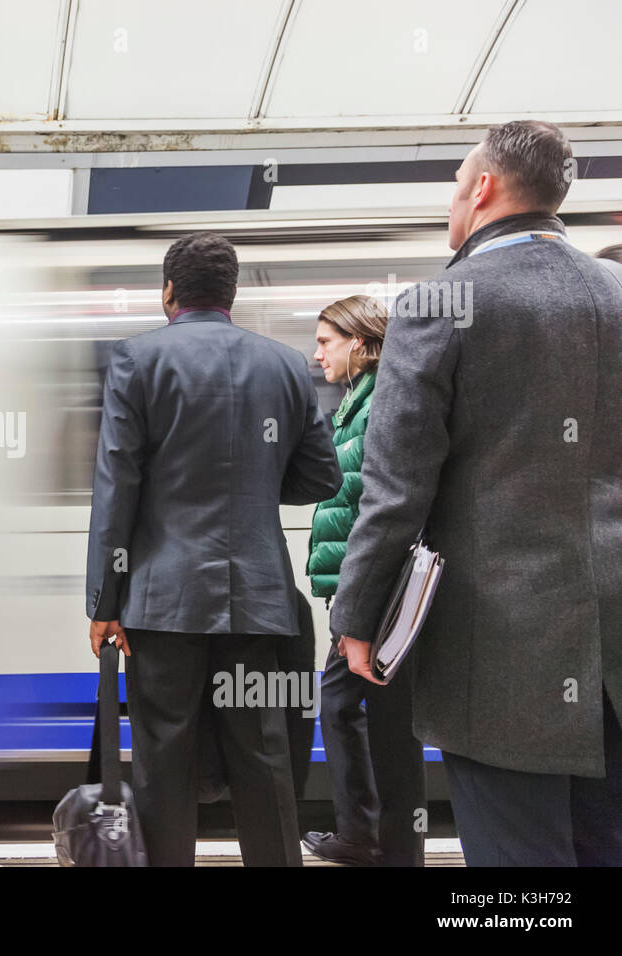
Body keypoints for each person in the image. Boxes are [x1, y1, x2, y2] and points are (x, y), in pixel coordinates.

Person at [332, 120, 622, 866]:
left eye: (457, 185)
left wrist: (358, 617)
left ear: (484, 188)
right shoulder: (617, 293)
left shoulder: (439, 304)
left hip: (501, 658)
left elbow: (395, 488)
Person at [85, 231, 342, 867]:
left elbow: (118, 484)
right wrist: (253, 482)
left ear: (168, 292)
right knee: (263, 753)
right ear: (230, 296)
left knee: (163, 760)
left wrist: (103, 600)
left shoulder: (136, 360)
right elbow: (322, 477)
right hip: (257, 597)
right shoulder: (284, 363)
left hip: (161, 601)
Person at [300, 295, 425, 867]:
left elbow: (380, 503)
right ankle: (369, 834)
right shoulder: (358, 399)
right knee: (352, 709)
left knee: (369, 716)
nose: (316, 353)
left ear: (361, 342)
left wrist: (358, 596)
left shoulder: (380, 402)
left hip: (377, 592)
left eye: (326, 341)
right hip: (362, 588)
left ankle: (382, 841)